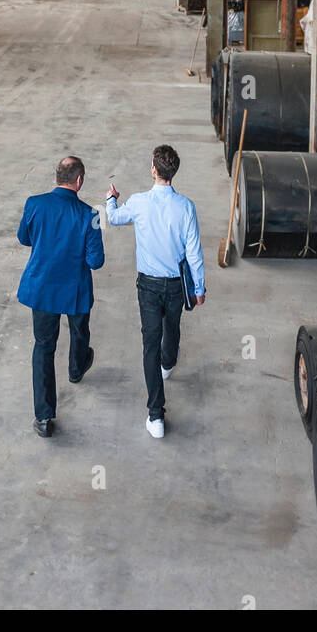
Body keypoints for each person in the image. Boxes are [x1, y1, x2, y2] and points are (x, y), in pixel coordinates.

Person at [106, 145, 205, 439]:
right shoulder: (186, 207)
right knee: (172, 326)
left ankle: (155, 415)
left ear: (154, 170)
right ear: (173, 173)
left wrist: (111, 199)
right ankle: (168, 363)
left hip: (148, 285)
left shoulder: (138, 202)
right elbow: (195, 254)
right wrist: (198, 288)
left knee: (150, 342)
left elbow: (113, 218)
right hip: (176, 284)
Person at [17, 156, 105, 438]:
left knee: (44, 347)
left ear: (57, 177)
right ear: (78, 181)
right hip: (74, 290)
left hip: (42, 288)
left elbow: (24, 238)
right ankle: (76, 368)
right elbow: (95, 261)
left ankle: (43, 417)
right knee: (79, 332)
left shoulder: (34, 204)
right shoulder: (89, 215)